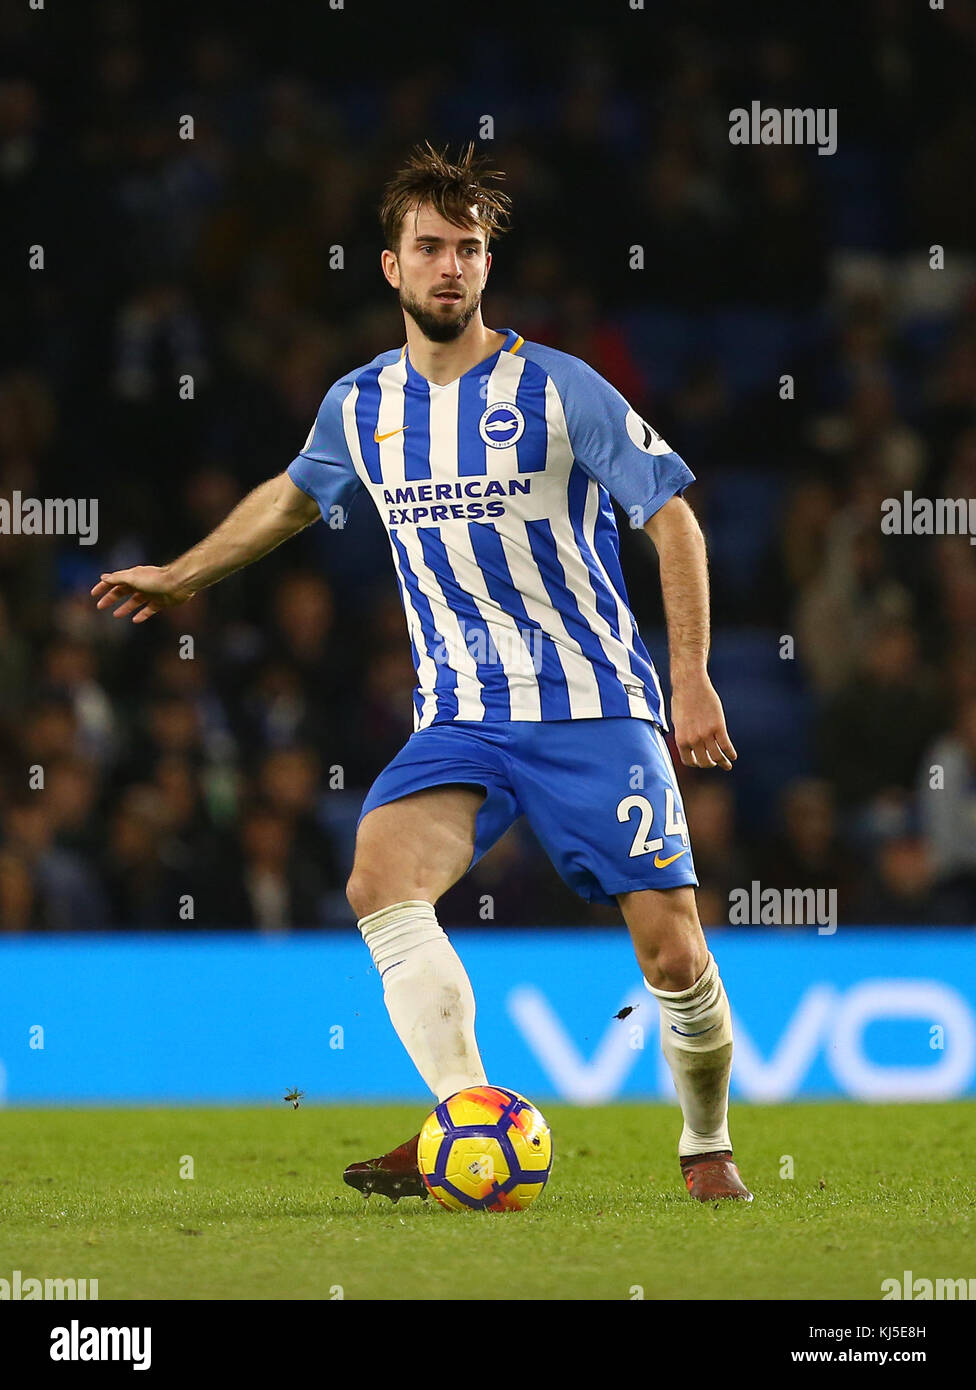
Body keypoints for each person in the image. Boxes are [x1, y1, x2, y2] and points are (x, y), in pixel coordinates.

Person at [91, 142, 751, 1203]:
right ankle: (465, 1114)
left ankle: (705, 1140)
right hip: (462, 717)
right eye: (431, 247)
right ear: (390, 267)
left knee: (673, 958)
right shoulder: (361, 404)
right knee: (379, 879)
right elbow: (293, 497)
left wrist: (691, 674)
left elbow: (671, 519)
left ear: (489, 268)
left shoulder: (557, 388)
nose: (451, 266)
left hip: (592, 707)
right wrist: (184, 573)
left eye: (470, 249)